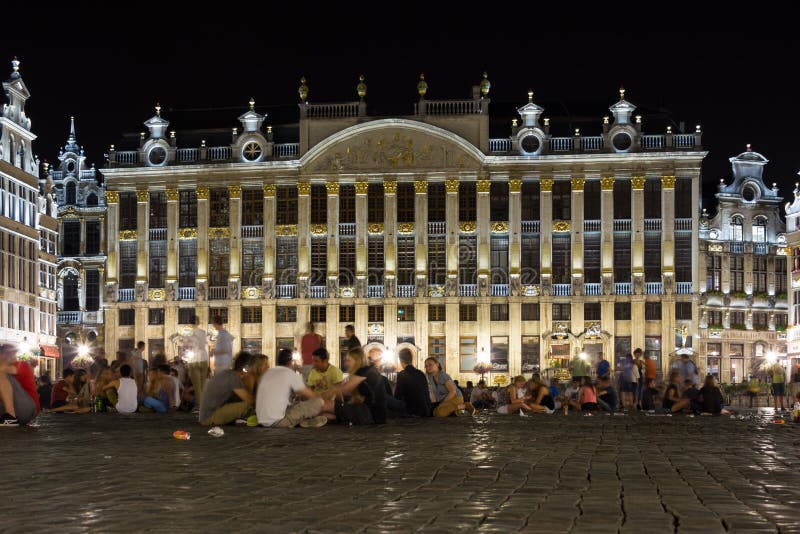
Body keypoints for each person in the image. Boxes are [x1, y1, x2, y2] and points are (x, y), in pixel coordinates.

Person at [256, 348, 328, 428]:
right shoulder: (289, 373)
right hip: (278, 422)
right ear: (291, 361)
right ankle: (301, 421)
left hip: (262, 421)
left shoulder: (268, 373)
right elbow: (310, 395)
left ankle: (302, 420)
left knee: (295, 404)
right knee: (319, 402)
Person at [199, 352, 255, 426]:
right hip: (209, 418)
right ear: (245, 368)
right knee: (247, 405)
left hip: (207, 416)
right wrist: (251, 379)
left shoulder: (228, 374)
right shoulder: (233, 378)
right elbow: (250, 400)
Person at [0, 344, 40, 426]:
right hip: (19, 408)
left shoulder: (22, 365)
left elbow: (3, 368)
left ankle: (11, 416)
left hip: (28, 408)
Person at [394, 348, 432, 417]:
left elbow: (398, 395)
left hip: (411, 411)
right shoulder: (421, 373)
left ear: (401, 360)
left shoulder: (402, 374)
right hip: (425, 411)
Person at [188, 316, 210, 406]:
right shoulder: (203, 332)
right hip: (204, 357)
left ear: (190, 324)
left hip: (195, 359)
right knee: (202, 384)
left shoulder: (190, 333)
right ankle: (204, 405)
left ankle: (200, 407)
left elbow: (189, 345)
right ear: (198, 323)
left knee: (197, 385)